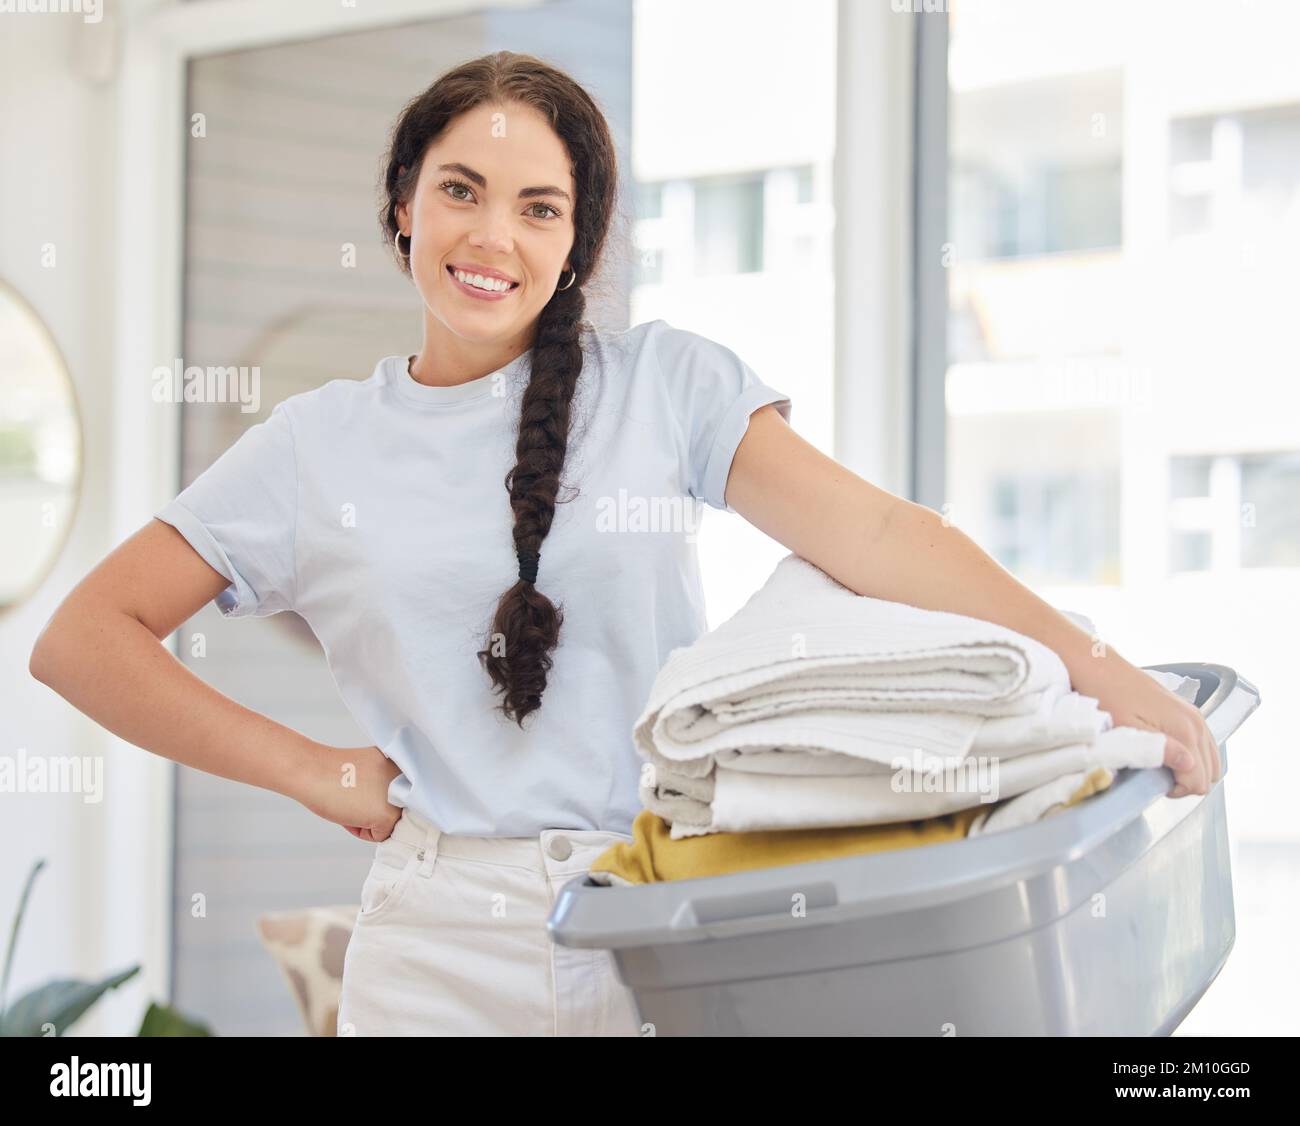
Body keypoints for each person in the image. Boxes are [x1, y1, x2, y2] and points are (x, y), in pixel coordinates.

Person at [28, 50, 1220, 1038]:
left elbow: (880, 536)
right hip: (435, 946)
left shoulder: (668, 385)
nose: (492, 234)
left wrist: (1108, 677)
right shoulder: (314, 447)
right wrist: (310, 766)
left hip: (665, 912)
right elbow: (85, 638)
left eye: (538, 206)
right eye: (459, 189)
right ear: (400, 206)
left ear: (576, 239)